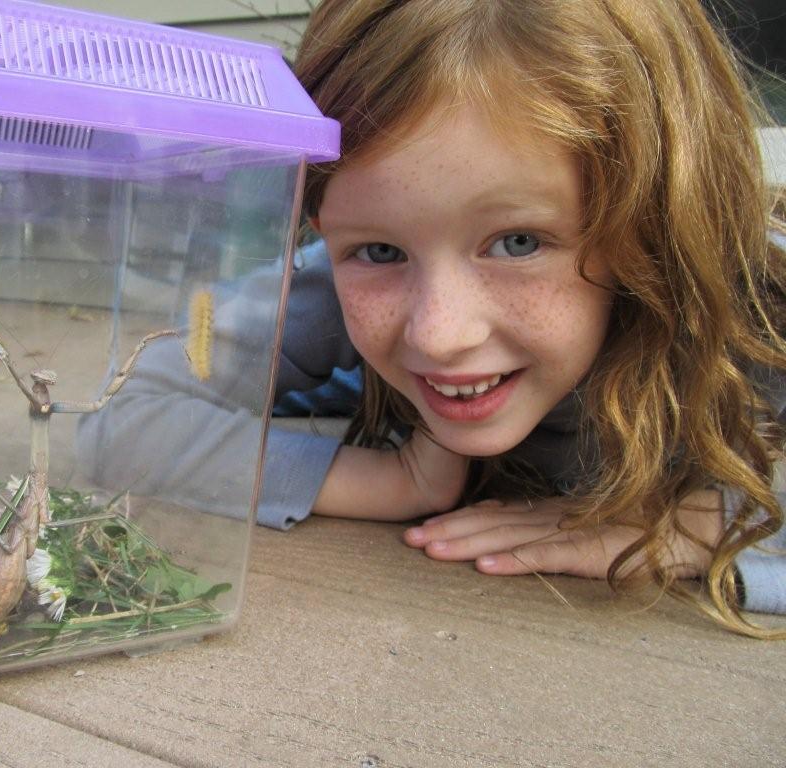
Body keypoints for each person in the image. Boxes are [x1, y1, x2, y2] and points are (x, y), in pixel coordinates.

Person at [79, 0, 786, 637]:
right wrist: (395, 482)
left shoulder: (750, 303)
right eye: (380, 251)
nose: (438, 335)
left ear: (653, 222)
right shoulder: (330, 285)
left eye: (518, 242)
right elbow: (119, 418)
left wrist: (703, 524)